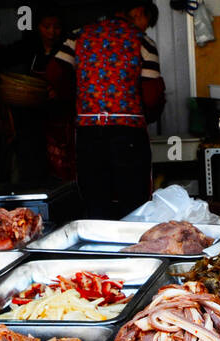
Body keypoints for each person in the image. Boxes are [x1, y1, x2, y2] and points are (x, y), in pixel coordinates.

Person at [48, 4, 165, 218]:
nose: (145, 29)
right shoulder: (143, 42)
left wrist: (77, 96)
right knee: (133, 204)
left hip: (88, 133)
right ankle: (133, 247)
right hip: (128, 135)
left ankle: (99, 248)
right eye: (146, 23)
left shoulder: (78, 36)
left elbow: (54, 73)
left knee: (95, 202)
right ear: (138, 11)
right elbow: (150, 97)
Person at [0, 7, 66, 184]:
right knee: (32, 160)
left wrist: (60, 91)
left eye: (56, 27)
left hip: (59, 118)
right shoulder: (29, 48)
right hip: (31, 116)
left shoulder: (67, 48)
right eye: (46, 26)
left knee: (60, 165)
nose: (52, 32)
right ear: (37, 27)